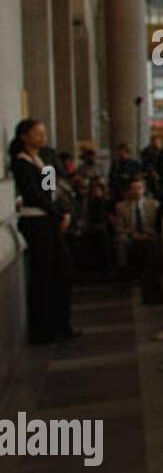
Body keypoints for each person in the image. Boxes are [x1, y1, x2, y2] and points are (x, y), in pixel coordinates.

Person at [8, 119, 75, 343]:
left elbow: (49, 192)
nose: (42, 138)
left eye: (43, 134)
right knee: (43, 275)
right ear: (24, 137)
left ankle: (61, 323)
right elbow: (34, 195)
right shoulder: (21, 163)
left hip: (50, 220)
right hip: (37, 223)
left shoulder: (43, 159)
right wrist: (57, 214)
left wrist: (61, 211)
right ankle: (43, 329)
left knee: (62, 272)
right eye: (37, 134)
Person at [111, 177, 160, 272]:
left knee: (156, 241)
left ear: (144, 190)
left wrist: (148, 234)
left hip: (149, 234)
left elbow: (157, 226)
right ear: (129, 190)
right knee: (121, 240)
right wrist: (132, 234)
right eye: (133, 188)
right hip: (130, 234)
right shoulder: (121, 206)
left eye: (139, 188)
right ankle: (123, 271)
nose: (136, 191)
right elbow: (119, 228)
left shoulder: (154, 204)